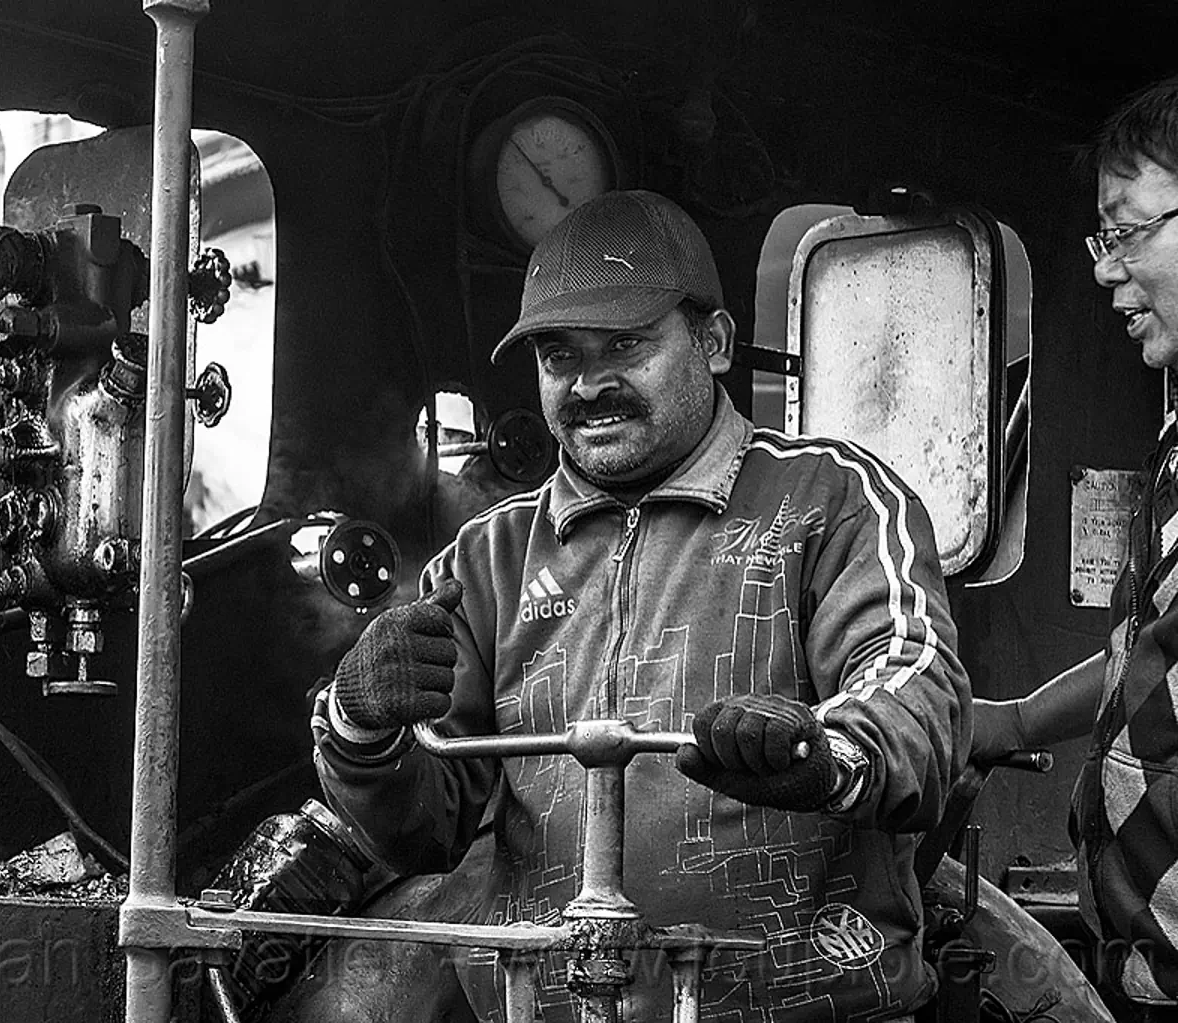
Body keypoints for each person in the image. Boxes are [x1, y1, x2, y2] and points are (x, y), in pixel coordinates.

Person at [311, 189, 969, 1022]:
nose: (589, 385)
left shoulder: (831, 500)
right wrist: (363, 726)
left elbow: (915, 685)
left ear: (716, 341)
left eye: (626, 344)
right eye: (558, 356)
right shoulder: (488, 559)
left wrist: (826, 757)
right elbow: (422, 833)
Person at [973, 75, 1178, 1021]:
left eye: (1126, 232)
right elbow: (1148, 660)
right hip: (1148, 956)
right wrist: (1010, 722)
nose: (1104, 269)